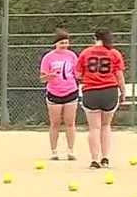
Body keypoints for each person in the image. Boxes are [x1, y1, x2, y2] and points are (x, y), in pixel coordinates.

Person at [75, 28, 126, 168]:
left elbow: (78, 75)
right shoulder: (114, 53)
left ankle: (94, 159)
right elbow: (119, 75)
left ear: (94, 38)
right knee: (106, 126)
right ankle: (105, 158)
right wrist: (123, 91)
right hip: (109, 91)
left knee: (94, 128)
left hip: (91, 92)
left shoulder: (85, 53)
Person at [39, 28, 79, 161]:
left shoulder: (72, 56)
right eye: (61, 43)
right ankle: (54, 151)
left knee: (70, 123)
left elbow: (77, 73)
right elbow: (42, 78)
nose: (64, 45)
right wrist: (49, 76)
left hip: (70, 91)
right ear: (56, 43)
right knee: (55, 123)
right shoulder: (48, 57)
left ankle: (70, 150)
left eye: (66, 43)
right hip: (54, 93)